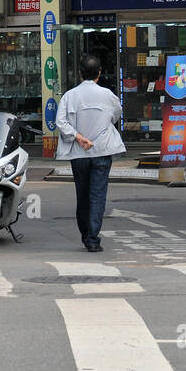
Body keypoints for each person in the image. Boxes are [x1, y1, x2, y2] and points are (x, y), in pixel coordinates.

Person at [55, 54, 125, 253]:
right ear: (99, 73)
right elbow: (116, 116)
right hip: (102, 150)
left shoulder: (70, 96)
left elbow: (60, 122)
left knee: (83, 195)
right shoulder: (108, 95)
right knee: (97, 196)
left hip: (78, 152)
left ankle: (86, 234)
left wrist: (78, 136)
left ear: (79, 73)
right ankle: (92, 238)